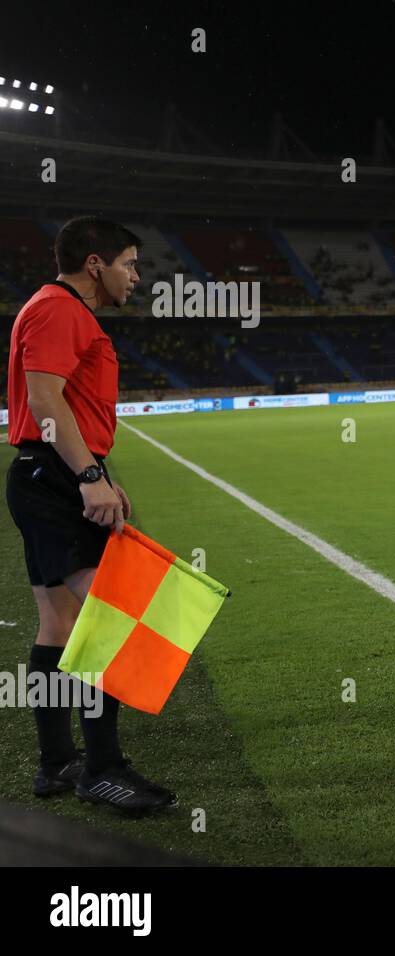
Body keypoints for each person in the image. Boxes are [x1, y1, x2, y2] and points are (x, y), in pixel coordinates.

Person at [5, 216, 177, 813]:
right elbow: (46, 397)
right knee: (112, 615)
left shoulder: (59, 309)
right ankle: (102, 769)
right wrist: (86, 475)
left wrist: (96, 471)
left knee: (58, 623)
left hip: (43, 474)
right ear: (96, 263)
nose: (136, 275)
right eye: (130, 263)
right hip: (53, 477)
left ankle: (56, 763)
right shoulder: (59, 308)